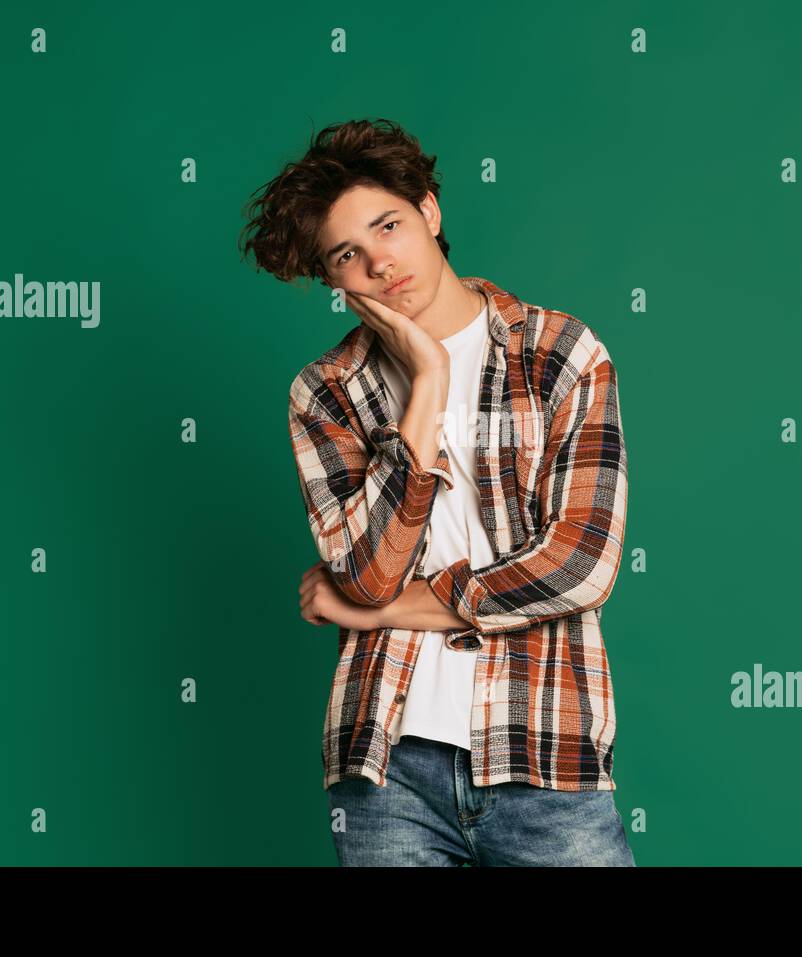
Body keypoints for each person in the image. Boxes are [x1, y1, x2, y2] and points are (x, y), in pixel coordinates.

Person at [239, 118, 633, 866]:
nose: (379, 263)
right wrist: (426, 383)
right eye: (347, 254)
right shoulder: (326, 394)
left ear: (429, 211)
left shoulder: (560, 355)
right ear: (335, 282)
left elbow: (580, 565)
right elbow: (368, 569)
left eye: (387, 225)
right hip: (387, 768)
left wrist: (375, 611)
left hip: (545, 750)